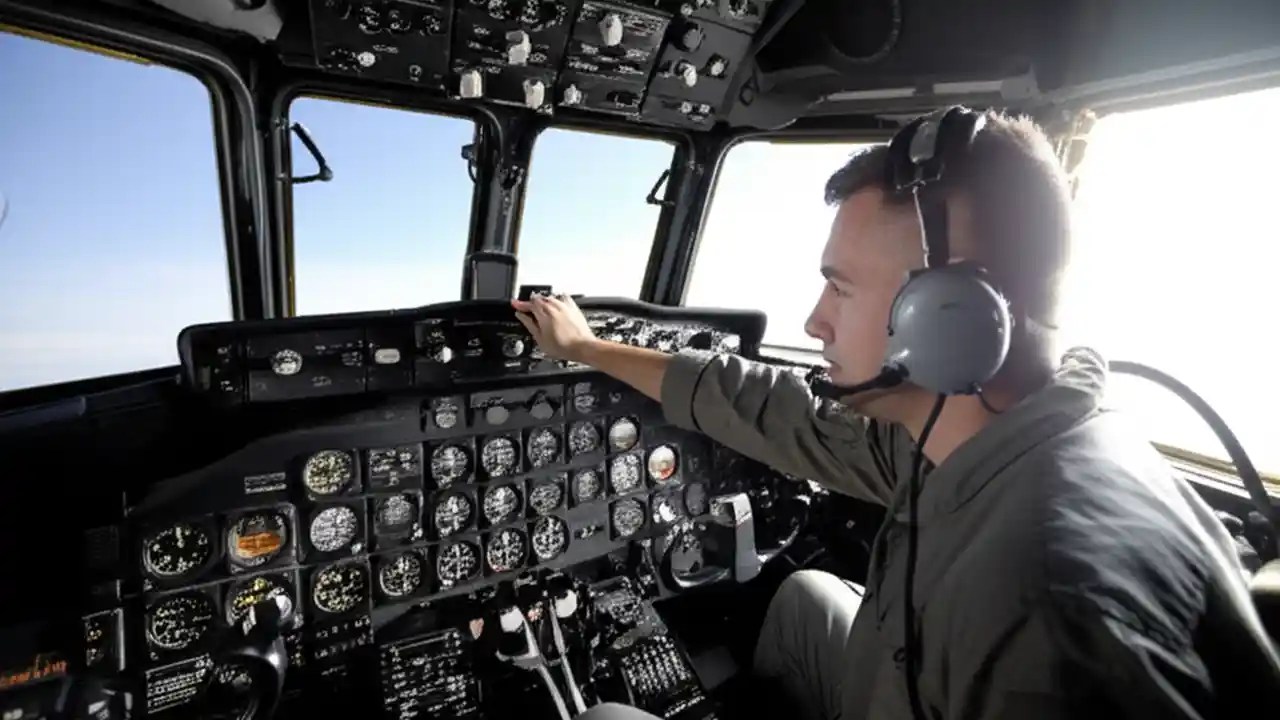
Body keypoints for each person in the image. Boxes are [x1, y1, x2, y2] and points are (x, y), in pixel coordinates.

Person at [513, 109, 1280, 719]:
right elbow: (785, 414)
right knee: (806, 599)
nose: (814, 322)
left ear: (948, 316)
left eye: (840, 289)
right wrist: (589, 348)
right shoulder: (990, 430)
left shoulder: (1045, 617)